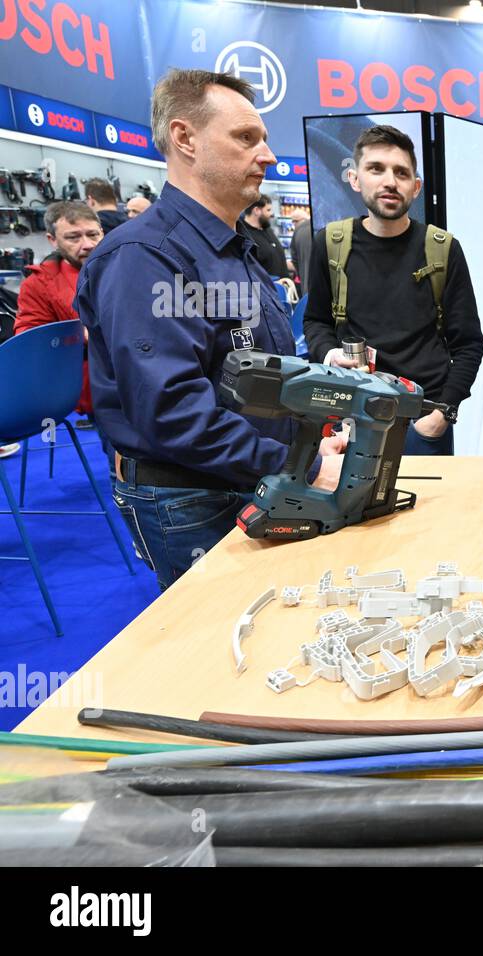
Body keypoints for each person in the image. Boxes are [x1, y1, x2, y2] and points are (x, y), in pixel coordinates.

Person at [76, 68, 344, 591]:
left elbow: (258, 372)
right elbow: (173, 412)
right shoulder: (146, 257)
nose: (266, 155)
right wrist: (300, 467)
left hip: (248, 477)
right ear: (185, 139)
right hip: (194, 498)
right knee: (223, 650)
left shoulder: (230, 249)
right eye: (246, 138)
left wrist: (308, 444)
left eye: (264, 139)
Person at [303, 124, 483, 457]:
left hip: (423, 419)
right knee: (353, 508)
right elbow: (315, 322)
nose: (390, 181)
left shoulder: (442, 249)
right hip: (354, 417)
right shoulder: (331, 244)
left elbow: (469, 343)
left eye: (401, 173)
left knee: (434, 510)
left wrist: (442, 414)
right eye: (376, 169)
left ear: (415, 187)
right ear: (355, 179)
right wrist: (330, 355)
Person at [15, 201, 103, 415]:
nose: (88, 244)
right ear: (52, 240)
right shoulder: (40, 284)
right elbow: (30, 340)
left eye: (93, 235)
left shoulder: (127, 265)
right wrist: (77, 334)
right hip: (97, 388)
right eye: (73, 237)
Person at [237, 193, 292, 280]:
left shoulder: (267, 229)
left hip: (282, 288)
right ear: (256, 210)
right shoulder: (244, 236)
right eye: (268, 210)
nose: (272, 214)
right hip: (266, 290)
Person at [290, 208, 314, 297]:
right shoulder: (325, 227)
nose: (294, 224)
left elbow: (295, 260)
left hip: (306, 289)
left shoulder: (298, 231)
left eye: (295, 221)